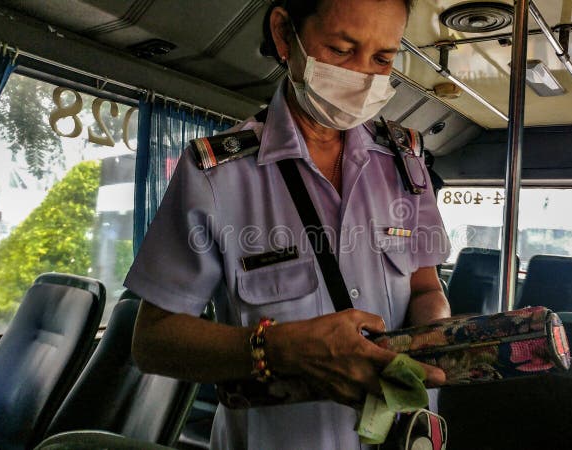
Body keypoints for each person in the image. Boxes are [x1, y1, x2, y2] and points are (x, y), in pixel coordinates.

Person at [125, 0, 452, 448]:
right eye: (341, 50)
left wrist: (435, 337)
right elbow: (152, 342)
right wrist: (280, 349)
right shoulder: (217, 176)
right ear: (284, 34)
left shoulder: (405, 164)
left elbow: (425, 287)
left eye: (382, 58)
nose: (362, 76)